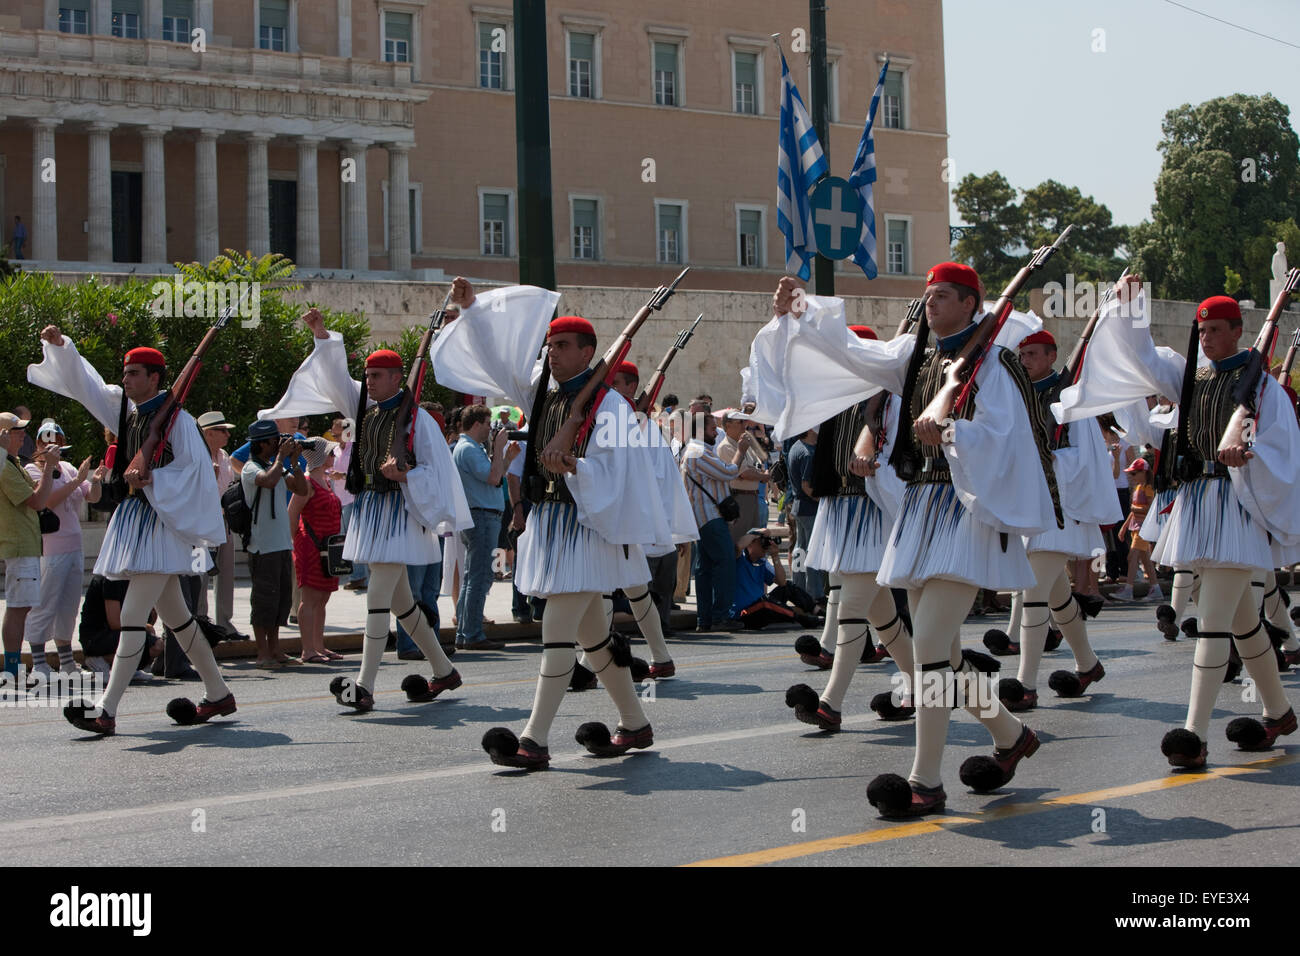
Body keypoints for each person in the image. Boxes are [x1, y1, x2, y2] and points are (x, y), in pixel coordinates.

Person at [772, 265, 1057, 817]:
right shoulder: (917, 356)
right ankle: (1011, 733)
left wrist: (952, 430)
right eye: (927, 296)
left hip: (968, 510)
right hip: (923, 508)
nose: (930, 304)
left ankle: (925, 780)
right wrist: (802, 309)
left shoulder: (996, 364)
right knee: (943, 655)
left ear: (973, 304)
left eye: (943, 296)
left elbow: (1007, 440)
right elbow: (855, 357)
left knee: (927, 650)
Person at [1055, 282, 1299, 767]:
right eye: (1201, 330)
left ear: (1238, 331)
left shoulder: (1263, 387)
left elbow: (1283, 447)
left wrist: (1247, 451)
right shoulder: (1191, 379)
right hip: (1197, 502)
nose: (1206, 338)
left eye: (1215, 330)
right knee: (1241, 622)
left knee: (1210, 622)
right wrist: (1130, 305)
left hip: (1235, 506)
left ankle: (1194, 731)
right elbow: (1142, 357)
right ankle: (1279, 711)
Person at [435, 277, 669, 769]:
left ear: (589, 352)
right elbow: (498, 359)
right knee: (593, 638)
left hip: (587, 528)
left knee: (556, 630)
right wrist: (472, 309)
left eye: (563, 346)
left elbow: (620, 471)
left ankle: (535, 738)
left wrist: (576, 467)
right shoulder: (541, 391)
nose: (553, 353)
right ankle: (635, 721)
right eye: (550, 345)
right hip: (552, 522)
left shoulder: (610, 406)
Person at [263, 308, 471, 712]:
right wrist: (322, 335)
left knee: (378, 597)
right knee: (401, 605)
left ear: (397, 378)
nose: (369, 381)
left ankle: (364, 685)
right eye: (369, 375)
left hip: (399, 514)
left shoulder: (419, 420)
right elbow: (338, 378)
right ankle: (444, 670)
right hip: (373, 510)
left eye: (377, 376)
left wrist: (407, 474)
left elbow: (438, 470)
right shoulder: (365, 409)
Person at [29, 331, 233, 735]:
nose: (125, 379)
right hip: (137, 521)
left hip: (162, 525)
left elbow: (195, 474)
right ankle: (218, 692)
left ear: (155, 378)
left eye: (134, 373)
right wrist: (61, 347)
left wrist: (153, 476)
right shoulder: (127, 410)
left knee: (132, 616)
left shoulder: (181, 421)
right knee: (179, 618)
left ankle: (106, 709)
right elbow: (87, 386)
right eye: (125, 372)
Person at [991, 329, 1119, 713]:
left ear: (1051, 356)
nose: (1025, 360)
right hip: (1029, 507)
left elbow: (1086, 459)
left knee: (1032, 590)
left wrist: (1043, 460)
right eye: (1022, 354)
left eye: (1032, 354)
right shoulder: (1016, 397)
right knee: (1056, 594)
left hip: (1060, 508)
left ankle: (1025, 684)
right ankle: (1088, 664)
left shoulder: (1071, 399)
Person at [23, 421, 102, 680]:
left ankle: (67, 662)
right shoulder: (32, 471)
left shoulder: (67, 468)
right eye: (46, 442)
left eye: (56, 441)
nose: (52, 447)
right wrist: (77, 480)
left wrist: (97, 479)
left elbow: (91, 496)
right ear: (37, 445)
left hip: (74, 545)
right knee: (45, 603)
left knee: (69, 606)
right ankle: (38, 660)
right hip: (51, 548)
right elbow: (45, 502)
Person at [681, 407, 762, 632]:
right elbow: (729, 472)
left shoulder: (700, 450)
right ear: (700, 430)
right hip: (708, 518)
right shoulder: (698, 452)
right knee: (725, 565)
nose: (716, 432)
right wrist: (742, 450)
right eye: (711, 428)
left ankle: (706, 619)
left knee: (705, 569)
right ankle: (719, 617)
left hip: (707, 518)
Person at [241, 420, 306, 668]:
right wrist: (281, 458)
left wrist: (294, 463)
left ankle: (276, 649)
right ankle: (262, 652)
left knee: (280, 600)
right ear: (263, 443)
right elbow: (267, 481)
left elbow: (301, 489)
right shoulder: (251, 468)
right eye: (275, 441)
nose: (278, 444)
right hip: (262, 545)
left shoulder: (276, 466)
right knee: (263, 601)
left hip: (280, 543)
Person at [451, 404, 516, 651]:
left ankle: (466, 632)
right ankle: (472, 633)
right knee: (480, 577)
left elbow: (494, 476)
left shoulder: (470, 447)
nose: (492, 429)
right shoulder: (468, 448)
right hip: (481, 516)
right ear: (477, 424)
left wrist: (505, 459)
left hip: (480, 515)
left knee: (474, 576)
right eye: (488, 424)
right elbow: (492, 479)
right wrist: (499, 450)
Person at [0, 412, 57, 682]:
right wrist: (48, 468)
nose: (23, 435)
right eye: (16, 431)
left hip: (26, 544)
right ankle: (12, 670)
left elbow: (41, 497)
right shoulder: (4, 466)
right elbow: (36, 501)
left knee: (21, 607)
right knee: (18, 607)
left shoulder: (12, 463)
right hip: (19, 545)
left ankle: (13, 669)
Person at [289, 439, 344, 663]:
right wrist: (297, 541)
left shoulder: (326, 481)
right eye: (330, 453)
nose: (334, 456)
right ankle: (308, 649)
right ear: (322, 457)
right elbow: (292, 513)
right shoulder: (308, 482)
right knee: (310, 598)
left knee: (322, 598)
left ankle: (318, 646)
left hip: (327, 548)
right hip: (311, 546)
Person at [196, 410, 244, 640]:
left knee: (226, 571)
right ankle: (200, 621)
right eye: (222, 430)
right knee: (200, 573)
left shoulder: (224, 456)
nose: (226, 434)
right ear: (207, 434)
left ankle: (225, 622)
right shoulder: (195, 456)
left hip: (223, 521)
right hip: (200, 525)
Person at [731, 529, 819, 629]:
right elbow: (738, 546)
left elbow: (782, 582)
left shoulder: (762, 562)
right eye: (763, 542)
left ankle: (818, 611)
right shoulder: (738, 558)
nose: (766, 545)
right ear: (751, 543)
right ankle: (801, 619)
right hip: (743, 614)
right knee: (765, 602)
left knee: (788, 587)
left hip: (762, 608)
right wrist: (755, 534)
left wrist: (775, 556)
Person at [785, 426, 824, 607]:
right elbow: (807, 485)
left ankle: (799, 589)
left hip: (799, 507)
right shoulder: (808, 453)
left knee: (800, 549)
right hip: (809, 508)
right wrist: (823, 500)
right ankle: (814, 593)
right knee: (812, 551)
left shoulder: (796, 447)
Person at [1115, 457, 1163, 603]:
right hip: (1136, 527)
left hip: (1143, 528)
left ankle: (1128, 589)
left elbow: (1150, 508)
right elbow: (1133, 512)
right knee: (1145, 559)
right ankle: (1156, 588)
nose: (1131, 476)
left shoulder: (1147, 488)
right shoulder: (1137, 488)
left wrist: (1135, 509)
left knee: (1133, 557)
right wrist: (1124, 527)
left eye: (1134, 473)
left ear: (1144, 473)